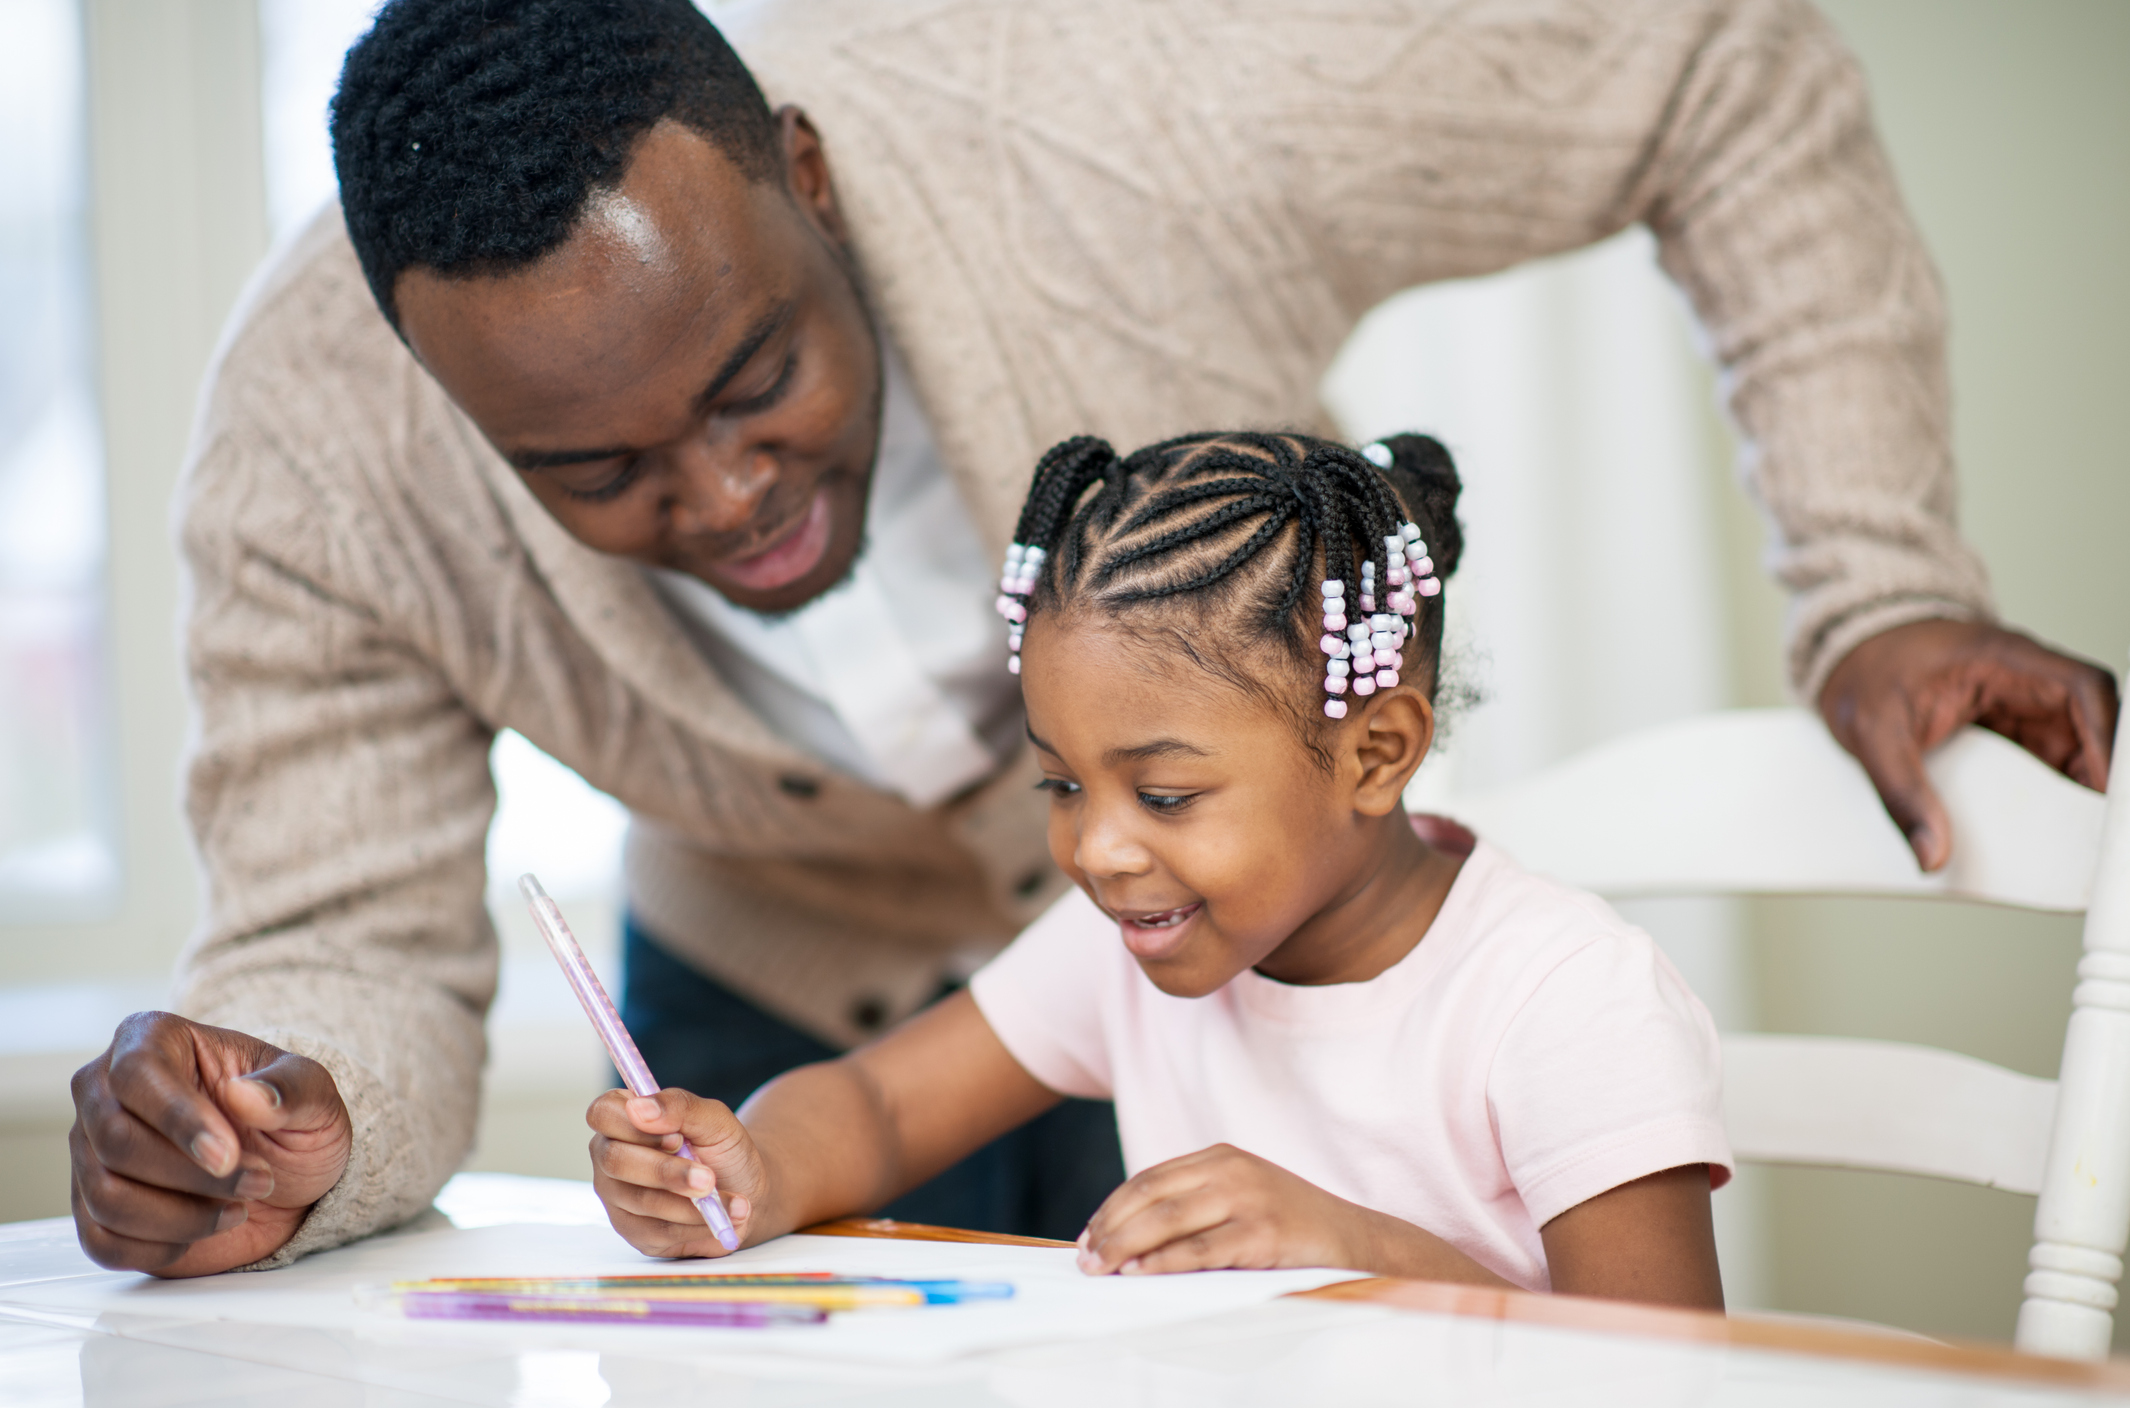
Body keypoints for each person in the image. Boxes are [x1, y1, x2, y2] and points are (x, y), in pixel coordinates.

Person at [67, 0, 2113, 1279]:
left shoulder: (1126, 110)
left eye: (758, 374)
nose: (719, 500)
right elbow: (360, 944)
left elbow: (1714, 57)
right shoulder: (316, 450)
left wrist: (1882, 572)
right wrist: (273, 1112)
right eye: (594, 470)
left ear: (809, 177)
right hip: (791, 988)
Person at [591, 430, 1731, 1305]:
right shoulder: (1130, 942)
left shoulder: (1564, 997)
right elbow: (881, 1105)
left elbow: (1666, 1375)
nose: (1097, 849)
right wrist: (754, 1166)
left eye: (1167, 795)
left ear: (1375, 750)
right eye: (1062, 783)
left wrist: (1363, 1252)